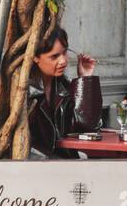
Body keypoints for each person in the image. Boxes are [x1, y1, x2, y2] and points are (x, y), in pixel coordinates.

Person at [29, 28, 102, 157]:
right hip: (39, 167)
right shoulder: (25, 94)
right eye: (54, 56)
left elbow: (87, 128)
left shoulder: (64, 87)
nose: (63, 61)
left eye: (64, 52)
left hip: (65, 162)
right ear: (35, 57)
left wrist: (84, 80)